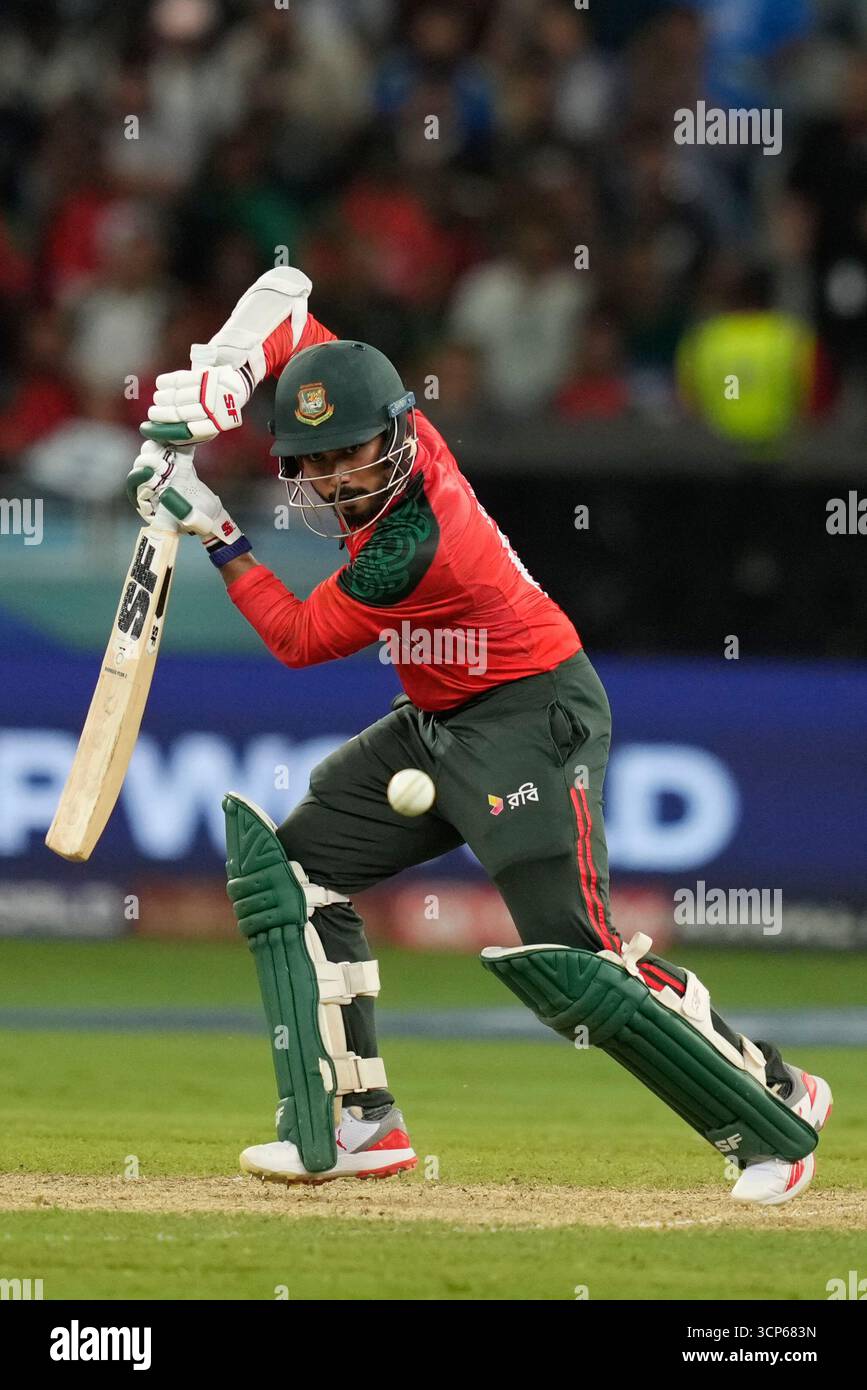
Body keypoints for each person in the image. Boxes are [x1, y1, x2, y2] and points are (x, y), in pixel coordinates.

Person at [127, 267, 831, 1203]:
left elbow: (299, 641)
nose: (336, 476)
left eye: (350, 453)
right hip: (436, 720)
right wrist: (227, 373)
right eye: (317, 460)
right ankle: (355, 1123)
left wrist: (215, 529)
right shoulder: (387, 427)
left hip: (532, 717)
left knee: (575, 962)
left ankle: (773, 1110)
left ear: (397, 433)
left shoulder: (411, 543)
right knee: (286, 877)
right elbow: (290, 304)